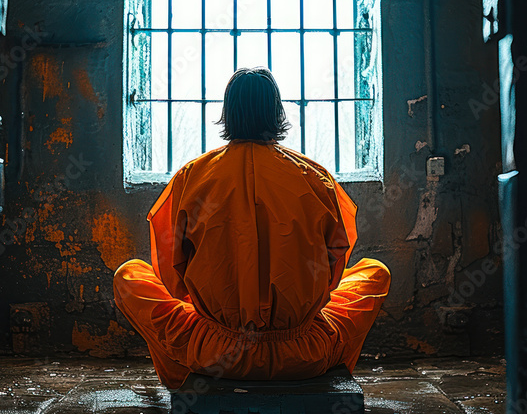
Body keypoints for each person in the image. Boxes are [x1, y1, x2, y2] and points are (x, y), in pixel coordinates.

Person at [113, 67, 390, 389]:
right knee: (374, 273)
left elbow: (173, 282)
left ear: (227, 114)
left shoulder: (192, 176)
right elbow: (333, 274)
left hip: (214, 352)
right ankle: (328, 373)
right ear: (277, 111)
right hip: (304, 351)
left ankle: (181, 377)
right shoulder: (316, 177)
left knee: (129, 276)